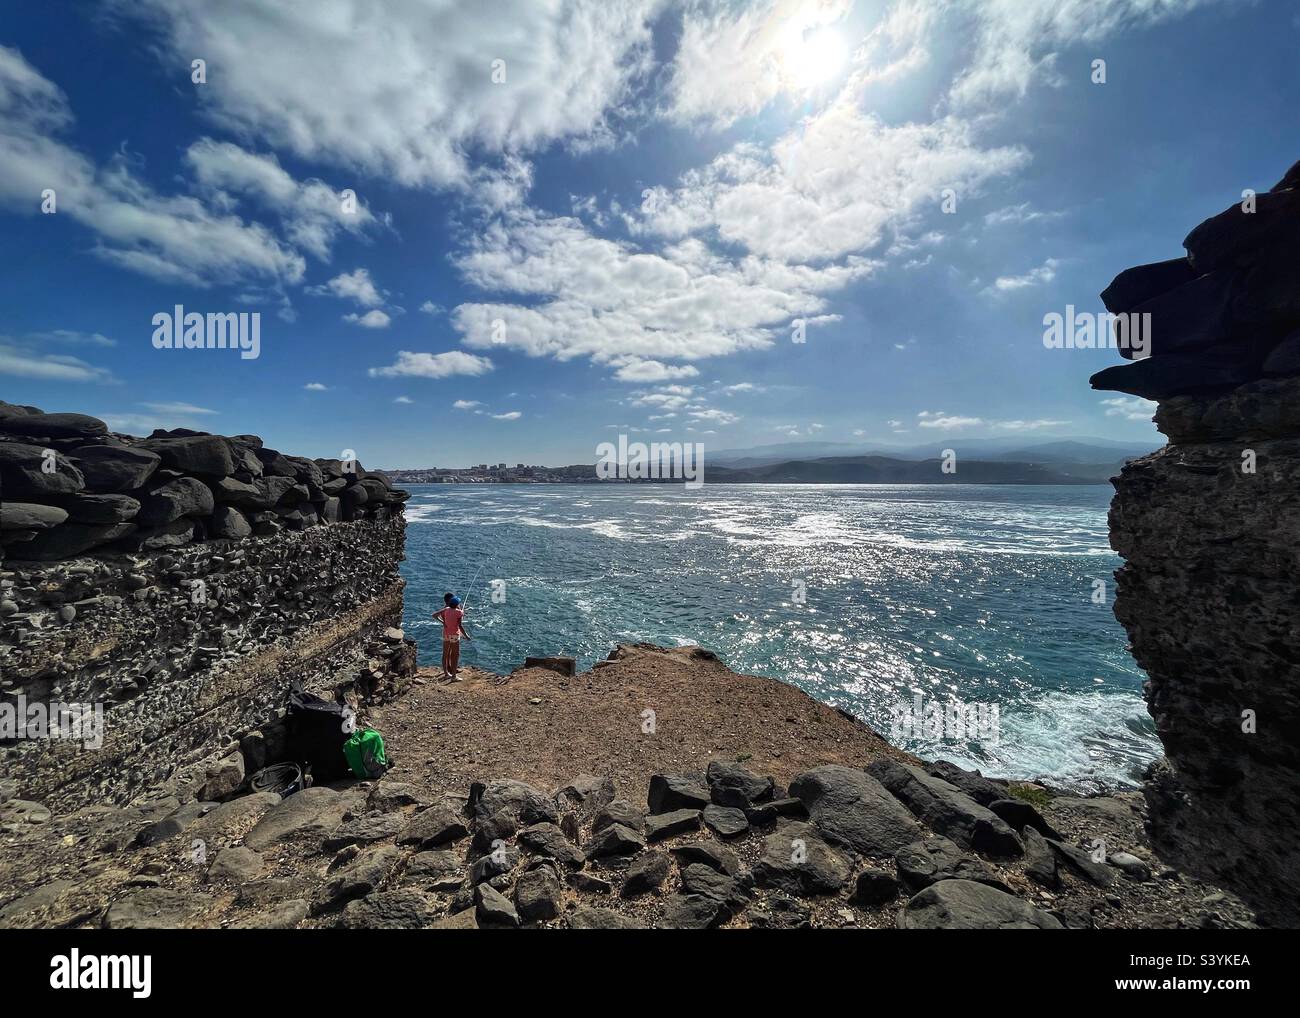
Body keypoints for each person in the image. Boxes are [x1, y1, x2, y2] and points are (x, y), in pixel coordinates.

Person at [433, 594, 471, 680]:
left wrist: (443, 622)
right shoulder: (459, 612)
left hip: (446, 634)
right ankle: (454, 676)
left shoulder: (445, 609)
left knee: (445, 654)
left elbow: (434, 615)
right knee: (456, 654)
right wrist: (466, 636)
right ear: (457, 605)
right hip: (454, 635)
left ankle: (446, 673)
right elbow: (460, 626)